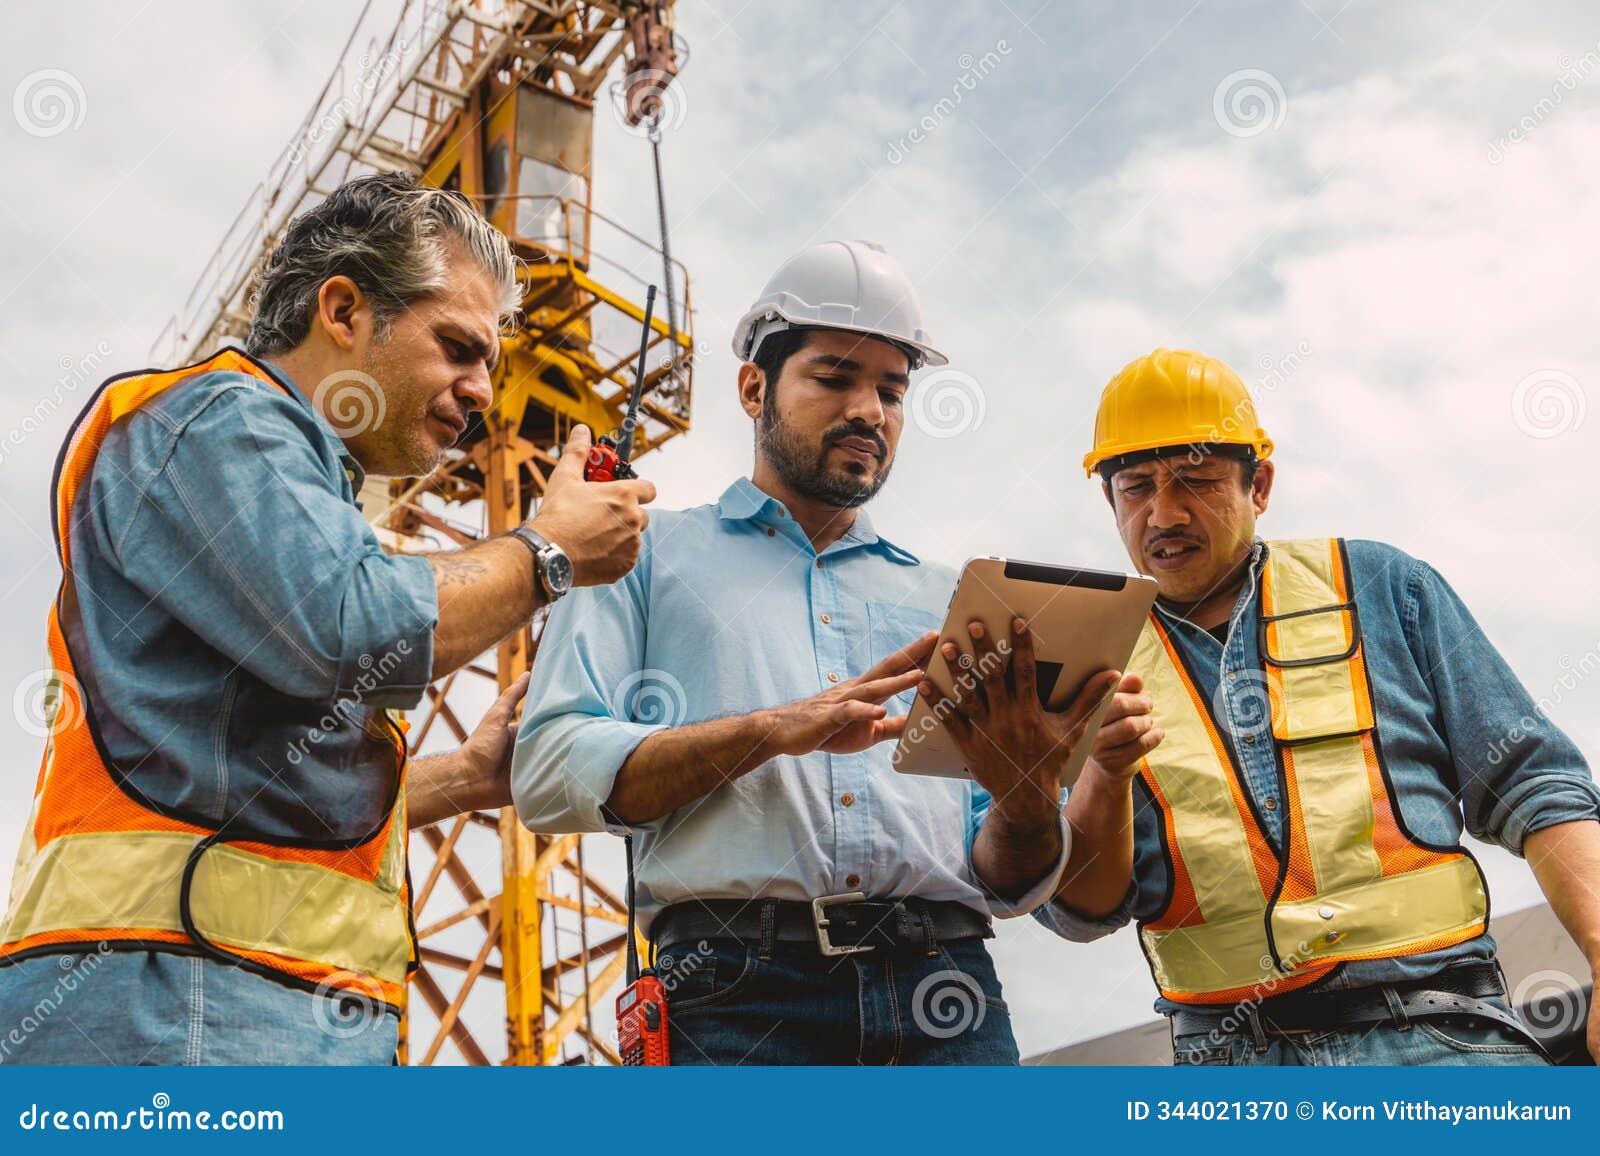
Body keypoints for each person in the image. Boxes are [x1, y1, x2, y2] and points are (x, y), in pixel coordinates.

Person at [0, 173, 654, 1065]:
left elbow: (254, 801)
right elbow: (348, 629)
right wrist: (549, 553)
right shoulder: (213, 421)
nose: (481, 393)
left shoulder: (301, 500)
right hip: (176, 1008)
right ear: (342, 309)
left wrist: (464, 776)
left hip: (239, 1004)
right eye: (457, 347)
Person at [513, 240, 1149, 1065]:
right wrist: (776, 729)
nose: (869, 410)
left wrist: (1026, 795)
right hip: (734, 1002)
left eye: (892, 390)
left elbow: (1008, 878)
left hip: (947, 993)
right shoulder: (636, 554)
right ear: (753, 387)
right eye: (834, 377)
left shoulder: (957, 600)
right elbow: (549, 770)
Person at [1040, 347, 1600, 1065]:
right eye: (1135, 488)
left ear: (1260, 484)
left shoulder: (1381, 586)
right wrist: (1102, 777)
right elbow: (1079, 911)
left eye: (1197, 481)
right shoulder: (1086, 659)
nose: (1164, 513)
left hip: (1441, 1042)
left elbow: (1533, 786)